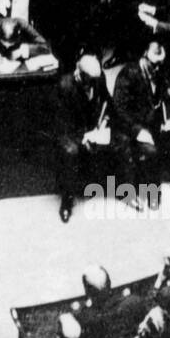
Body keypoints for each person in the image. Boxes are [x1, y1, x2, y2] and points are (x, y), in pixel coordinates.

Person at [113, 40, 170, 185]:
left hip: (157, 122)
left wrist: (168, 119)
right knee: (150, 151)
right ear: (144, 57)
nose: (157, 67)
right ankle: (151, 189)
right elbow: (120, 110)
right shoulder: (128, 75)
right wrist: (138, 131)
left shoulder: (160, 71)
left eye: (159, 63)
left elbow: (167, 99)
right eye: (154, 64)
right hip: (137, 126)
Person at [54, 54, 124, 223]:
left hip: (94, 128)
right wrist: (83, 138)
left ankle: (123, 190)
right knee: (71, 151)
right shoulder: (65, 86)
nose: (94, 82)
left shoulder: (97, 80)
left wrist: (105, 120)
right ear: (80, 73)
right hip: (73, 132)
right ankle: (67, 201)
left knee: (122, 140)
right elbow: (63, 123)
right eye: (90, 79)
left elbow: (108, 103)